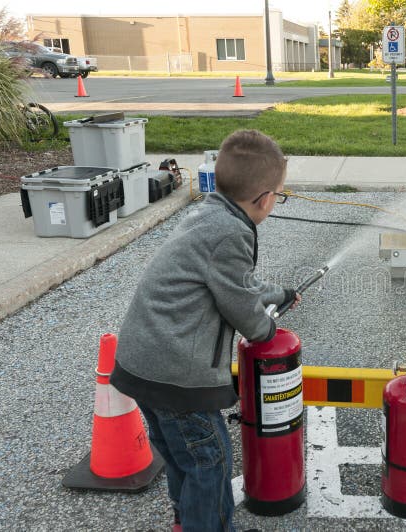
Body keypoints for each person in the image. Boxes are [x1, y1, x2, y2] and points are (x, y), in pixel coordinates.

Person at [111, 129, 300, 531]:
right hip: (177, 373)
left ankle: (186, 520)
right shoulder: (233, 233)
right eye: (279, 195)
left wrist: (277, 293)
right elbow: (241, 308)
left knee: (185, 458)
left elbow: (234, 283)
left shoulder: (211, 213)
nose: (275, 203)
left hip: (145, 362)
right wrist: (266, 327)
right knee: (209, 462)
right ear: (264, 198)